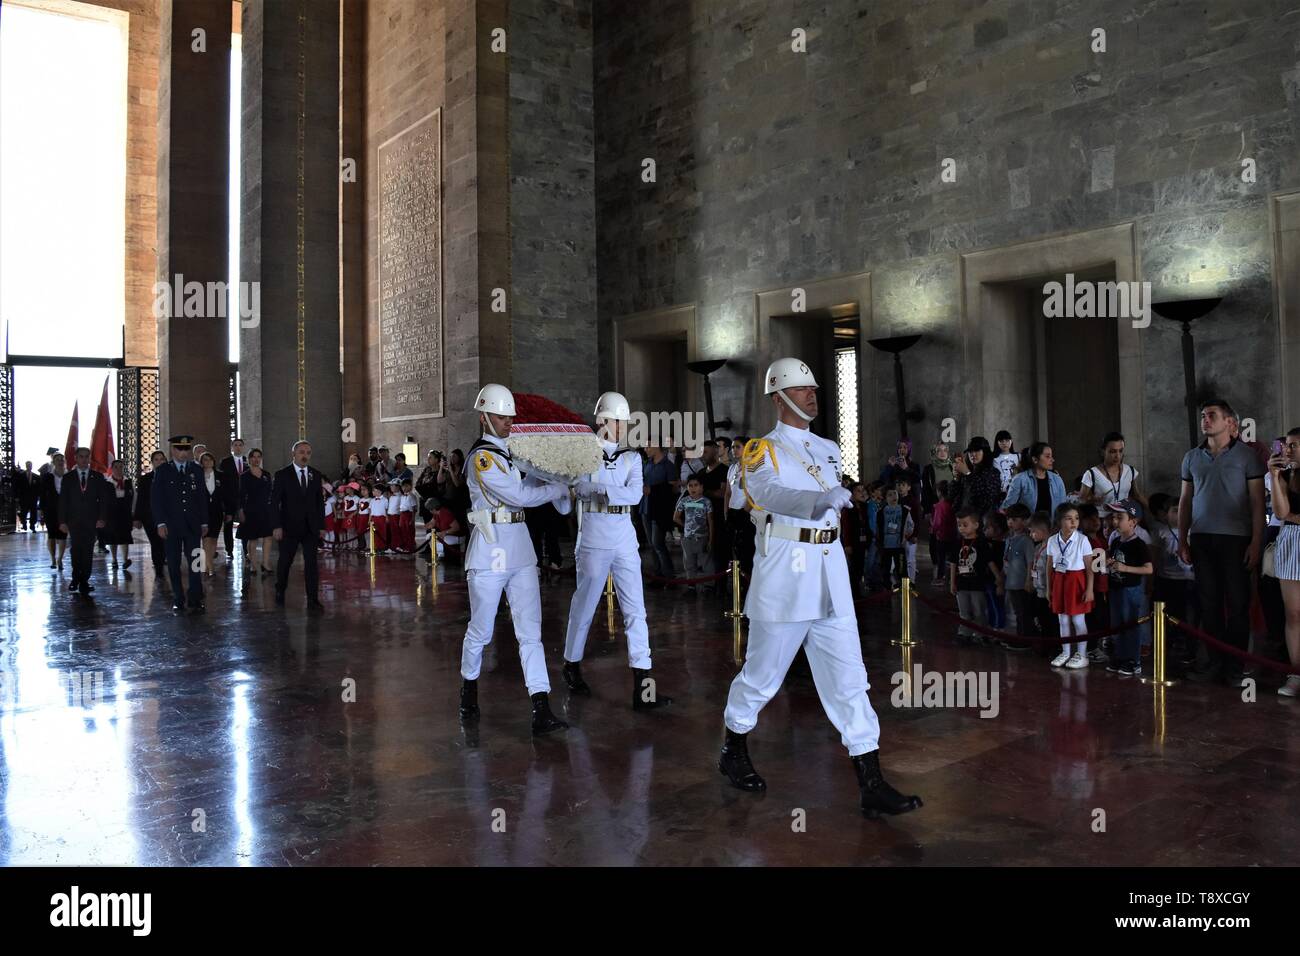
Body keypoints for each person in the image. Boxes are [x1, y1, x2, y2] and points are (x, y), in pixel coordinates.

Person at [719, 357, 921, 819]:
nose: (813, 395)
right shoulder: (759, 451)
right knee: (762, 677)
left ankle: (870, 781)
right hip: (786, 573)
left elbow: (828, 495)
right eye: (802, 388)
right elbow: (770, 495)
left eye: (813, 388)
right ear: (779, 397)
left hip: (829, 573)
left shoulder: (829, 448)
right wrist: (817, 500)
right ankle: (733, 747)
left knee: (850, 680)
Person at [458, 383, 571, 736]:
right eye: (501, 416)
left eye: (510, 416)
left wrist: (557, 472)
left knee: (530, 632)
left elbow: (534, 481)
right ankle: (469, 688)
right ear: (484, 418)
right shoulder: (483, 457)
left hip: (520, 550)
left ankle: (541, 706)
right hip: (490, 550)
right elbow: (518, 495)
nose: (509, 422)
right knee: (482, 629)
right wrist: (557, 488)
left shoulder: (513, 455)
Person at [562, 390, 673, 709]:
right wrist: (611, 491)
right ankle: (571, 664)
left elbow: (635, 496)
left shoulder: (632, 457)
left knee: (636, 610)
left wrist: (600, 490)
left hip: (624, 534)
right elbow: (580, 489)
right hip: (594, 534)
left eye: (624, 421)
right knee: (584, 606)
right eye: (615, 420)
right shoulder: (584, 453)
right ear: (601, 421)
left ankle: (644, 687)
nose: (622, 426)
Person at [1178, 399, 1266, 685]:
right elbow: (1185, 501)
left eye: (1211, 415)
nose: (1205, 420)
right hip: (1203, 537)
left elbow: (1256, 502)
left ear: (1229, 422)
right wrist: (1183, 538)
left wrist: (1255, 542)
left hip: (1237, 539)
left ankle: (1236, 666)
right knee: (1209, 602)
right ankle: (1213, 663)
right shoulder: (1192, 457)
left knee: (1238, 603)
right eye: (1203, 415)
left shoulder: (1247, 456)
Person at [153, 435, 210, 613]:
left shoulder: (196, 469)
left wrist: (204, 522)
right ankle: (178, 597)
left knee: (196, 562)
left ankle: (195, 598)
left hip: (193, 526)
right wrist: (160, 523)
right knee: (173, 563)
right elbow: (156, 499)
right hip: (172, 526)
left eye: (186, 449)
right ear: (172, 450)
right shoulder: (163, 470)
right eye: (180, 449)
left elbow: (202, 497)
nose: (183, 453)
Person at [271, 440, 326, 609]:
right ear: (293, 454)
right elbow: (274, 502)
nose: (305, 455)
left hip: (310, 527)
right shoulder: (282, 474)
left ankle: (312, 599)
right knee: (285, 561)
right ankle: (280, 589)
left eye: (308, 452)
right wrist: (276, 526)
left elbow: (319, 502)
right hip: (288, 527)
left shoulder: (315, 475)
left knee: (311, 564)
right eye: (301, 452)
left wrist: (321, 526)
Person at [1266, 430, 1300, 695]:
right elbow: (1281, 512)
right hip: (1290, 540)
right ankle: (1296, 672)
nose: (1289, 450)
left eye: (1295, 445)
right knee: (1293, 613)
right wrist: (1275, 476)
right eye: (1287, 445)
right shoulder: (1286, 475)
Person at [1105, 500, 1153, 676]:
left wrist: (1126, 568)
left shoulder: (1138, 544)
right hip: (1116, 587)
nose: (1115, 521)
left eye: (1120, 517)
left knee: (1130, 624)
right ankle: (1119, 655)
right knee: (1116, 624)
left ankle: (1133, 660)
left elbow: (1148, 568)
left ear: (1133, 521)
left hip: (1131, 589)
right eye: (1114, 517)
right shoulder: (1116, 541)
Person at [1046, 503, 1094, 669]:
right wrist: (1048, 588)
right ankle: (1066, 652)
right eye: (1068, 519)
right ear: (1059, 521)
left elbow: (1089, 567)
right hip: (1059, 580)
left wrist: (1089, 589)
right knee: (1063, 620)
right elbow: (1049, 566)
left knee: (1078, 620)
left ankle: (1082, 654)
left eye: (1076, 518)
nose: (1074, 522)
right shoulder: (1052, 540)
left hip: (1077, 581)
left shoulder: (1083, 540)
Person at [59, 447, 110, 594]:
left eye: (87, 457)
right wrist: (62, 521)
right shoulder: (68, 478)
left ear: (89, 459)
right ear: (75, 458)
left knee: (87, 551)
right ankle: (75, 578)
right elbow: (63, 501)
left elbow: (103, 500)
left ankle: (84, 581)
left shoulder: (97, 477)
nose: (84, 459)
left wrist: (102, 518)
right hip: (73, 520)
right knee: (76, 550)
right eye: (81, 456)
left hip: (91, 520)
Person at [950, 509, 996, 645]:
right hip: (962, 583)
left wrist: (998, 577)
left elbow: (990, 561)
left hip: (977, 583)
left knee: (978, 610)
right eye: (959, 525)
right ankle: (964, 632)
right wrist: (952, 582)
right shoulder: (957, 543)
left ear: (976, 525)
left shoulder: (982, 543)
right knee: (964, 610)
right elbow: (953, 562)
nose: (962, 528)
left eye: (965, 525)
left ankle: (980, 633)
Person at [1078, 432, 1145, 509]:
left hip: (1123, 518)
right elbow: (1081, 499)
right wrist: (1092, 499)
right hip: (1102, 517)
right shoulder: (1091, 474)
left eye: (1120, 451)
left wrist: (1153, 512)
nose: (1117, 456)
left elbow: (1137, 495)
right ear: (1103, 452)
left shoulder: (1130, 471)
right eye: (1113, 451)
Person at [1001, 442, 1067, 516]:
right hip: (1027, 526)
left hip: (1052, 526)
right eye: (1047, 456)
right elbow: (1008, 507)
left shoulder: (1057, 480)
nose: (1052, 460)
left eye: (1051, 456)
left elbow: (1063, 508)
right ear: (1035, 459)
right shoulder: (1020, 479)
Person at [237, 447, 276, 574]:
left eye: (258, 456)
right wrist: (241, 511)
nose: (256, 459)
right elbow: (241, 495)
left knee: (268, 536)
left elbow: (270, 492)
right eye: (253, 457)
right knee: (252, 538)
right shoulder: (245, 476)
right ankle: (254, 563)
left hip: (265, 510)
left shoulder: (266, 474)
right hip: (251, 510)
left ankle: (265, 563)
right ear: (249, 459)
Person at [641, 445, 677, 579]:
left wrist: (653, 490)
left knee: (658, 543)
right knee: (651, 544)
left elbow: (673, 488)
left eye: (648, 446)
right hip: (646, 507)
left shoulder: (668, 466)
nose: (645, 449)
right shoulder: (647, 464)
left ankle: (668, 575)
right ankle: (658, 575)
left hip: (660, 509)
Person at [674, 474, 714, 592]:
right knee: (689, 563)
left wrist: (711, 539)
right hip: (688, 539)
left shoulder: (706, 502)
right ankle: (691, 585)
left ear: (701, 487)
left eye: (696, 485)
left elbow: (711, 521)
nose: (693, 488)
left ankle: (709, 585)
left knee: (706, 562)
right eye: (690, 486)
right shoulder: (684, 501)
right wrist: (687, 526)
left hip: (703, 538)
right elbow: (676, 517)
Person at [134, 451, 168, 578]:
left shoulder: (171, 477)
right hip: (150, 517)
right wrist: (137, 518)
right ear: (152, 462)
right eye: (156, 460)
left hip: (168, 516)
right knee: (155, 542)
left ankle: (164, 560)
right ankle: (158, 568)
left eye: (162, 459)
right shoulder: (145, 479)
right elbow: (141, 499)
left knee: (166, 542)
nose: (159, 462)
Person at [951, 436, 1002, 517]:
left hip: (982, 521)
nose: (973, 454)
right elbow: (952, 496)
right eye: (970, 451)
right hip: (963, 520)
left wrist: (967, 473)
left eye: (977, 450)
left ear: (985, 452)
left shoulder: (993, 473)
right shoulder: (967, 471)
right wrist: (956, 478)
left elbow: (986, 499)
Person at [841, 481, 873, 596]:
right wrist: (847, 544)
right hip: (853, 541)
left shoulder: (865, 506)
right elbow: (846, 528)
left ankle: (857, 589)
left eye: (862, 490)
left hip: (863, 541)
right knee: (854, 567)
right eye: (858, 491)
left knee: (860, 566)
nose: (861, 493)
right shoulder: (847, 508)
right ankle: (854, 592)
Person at [218, 439, 248, 562]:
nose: (238, 447)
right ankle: (229, 550)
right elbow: (222, 483)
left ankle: (246, 550)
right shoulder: (225, 462)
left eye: (240, 445)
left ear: (243, 447)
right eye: (235, 445)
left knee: (245, 524)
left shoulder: (248, 461)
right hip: (229, 499)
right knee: (228, 525)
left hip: (245, 499)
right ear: (232, 447)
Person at [197, 452, 225, 577]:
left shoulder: (220, 476)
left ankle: (207, 564)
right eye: (205, 460)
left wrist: (227, 511)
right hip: (203, 511)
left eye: (210, 459)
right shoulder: (197, 476)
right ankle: (210, 566)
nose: (208, 462)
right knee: (206, 538)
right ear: (201, 462)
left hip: (217, 511)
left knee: (213, 538)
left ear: (213, 461)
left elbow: (225, 494)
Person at [103, 459, 134, 569]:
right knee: (113, 538)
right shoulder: (107, 483)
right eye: (116, 467)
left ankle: (125, 559)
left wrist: (133, 513)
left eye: (120, 467)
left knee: (125, 536)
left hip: (125, 513)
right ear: (112, 468)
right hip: (111, 514)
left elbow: (133, 497)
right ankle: (114, 559)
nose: (118, 469)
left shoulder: (128, 481)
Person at [39, 453, 68, 570]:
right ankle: (52, 559)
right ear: (53, 462)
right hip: (50, 509)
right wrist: (41, 509)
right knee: (51, 534)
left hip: (65, 509)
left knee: (63, 535)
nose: (60, 461)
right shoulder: (47, 477)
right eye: (58, 460)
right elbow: (42, 494)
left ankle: (60, 559)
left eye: (62, 459)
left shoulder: (69, 476)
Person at [15, 460, 39, 531]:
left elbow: (38, 487)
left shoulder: (36, 476)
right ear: (26, 466)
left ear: (32, 466)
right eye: (28, 465)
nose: (29, 466)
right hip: (23, 498)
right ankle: (24, 524)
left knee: (33, 512)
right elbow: (17, 487)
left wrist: (38, 496)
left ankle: (32, 526)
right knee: (23, 512)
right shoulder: (21, 476)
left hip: (33, 498)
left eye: (30, 465)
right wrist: (17, 496)